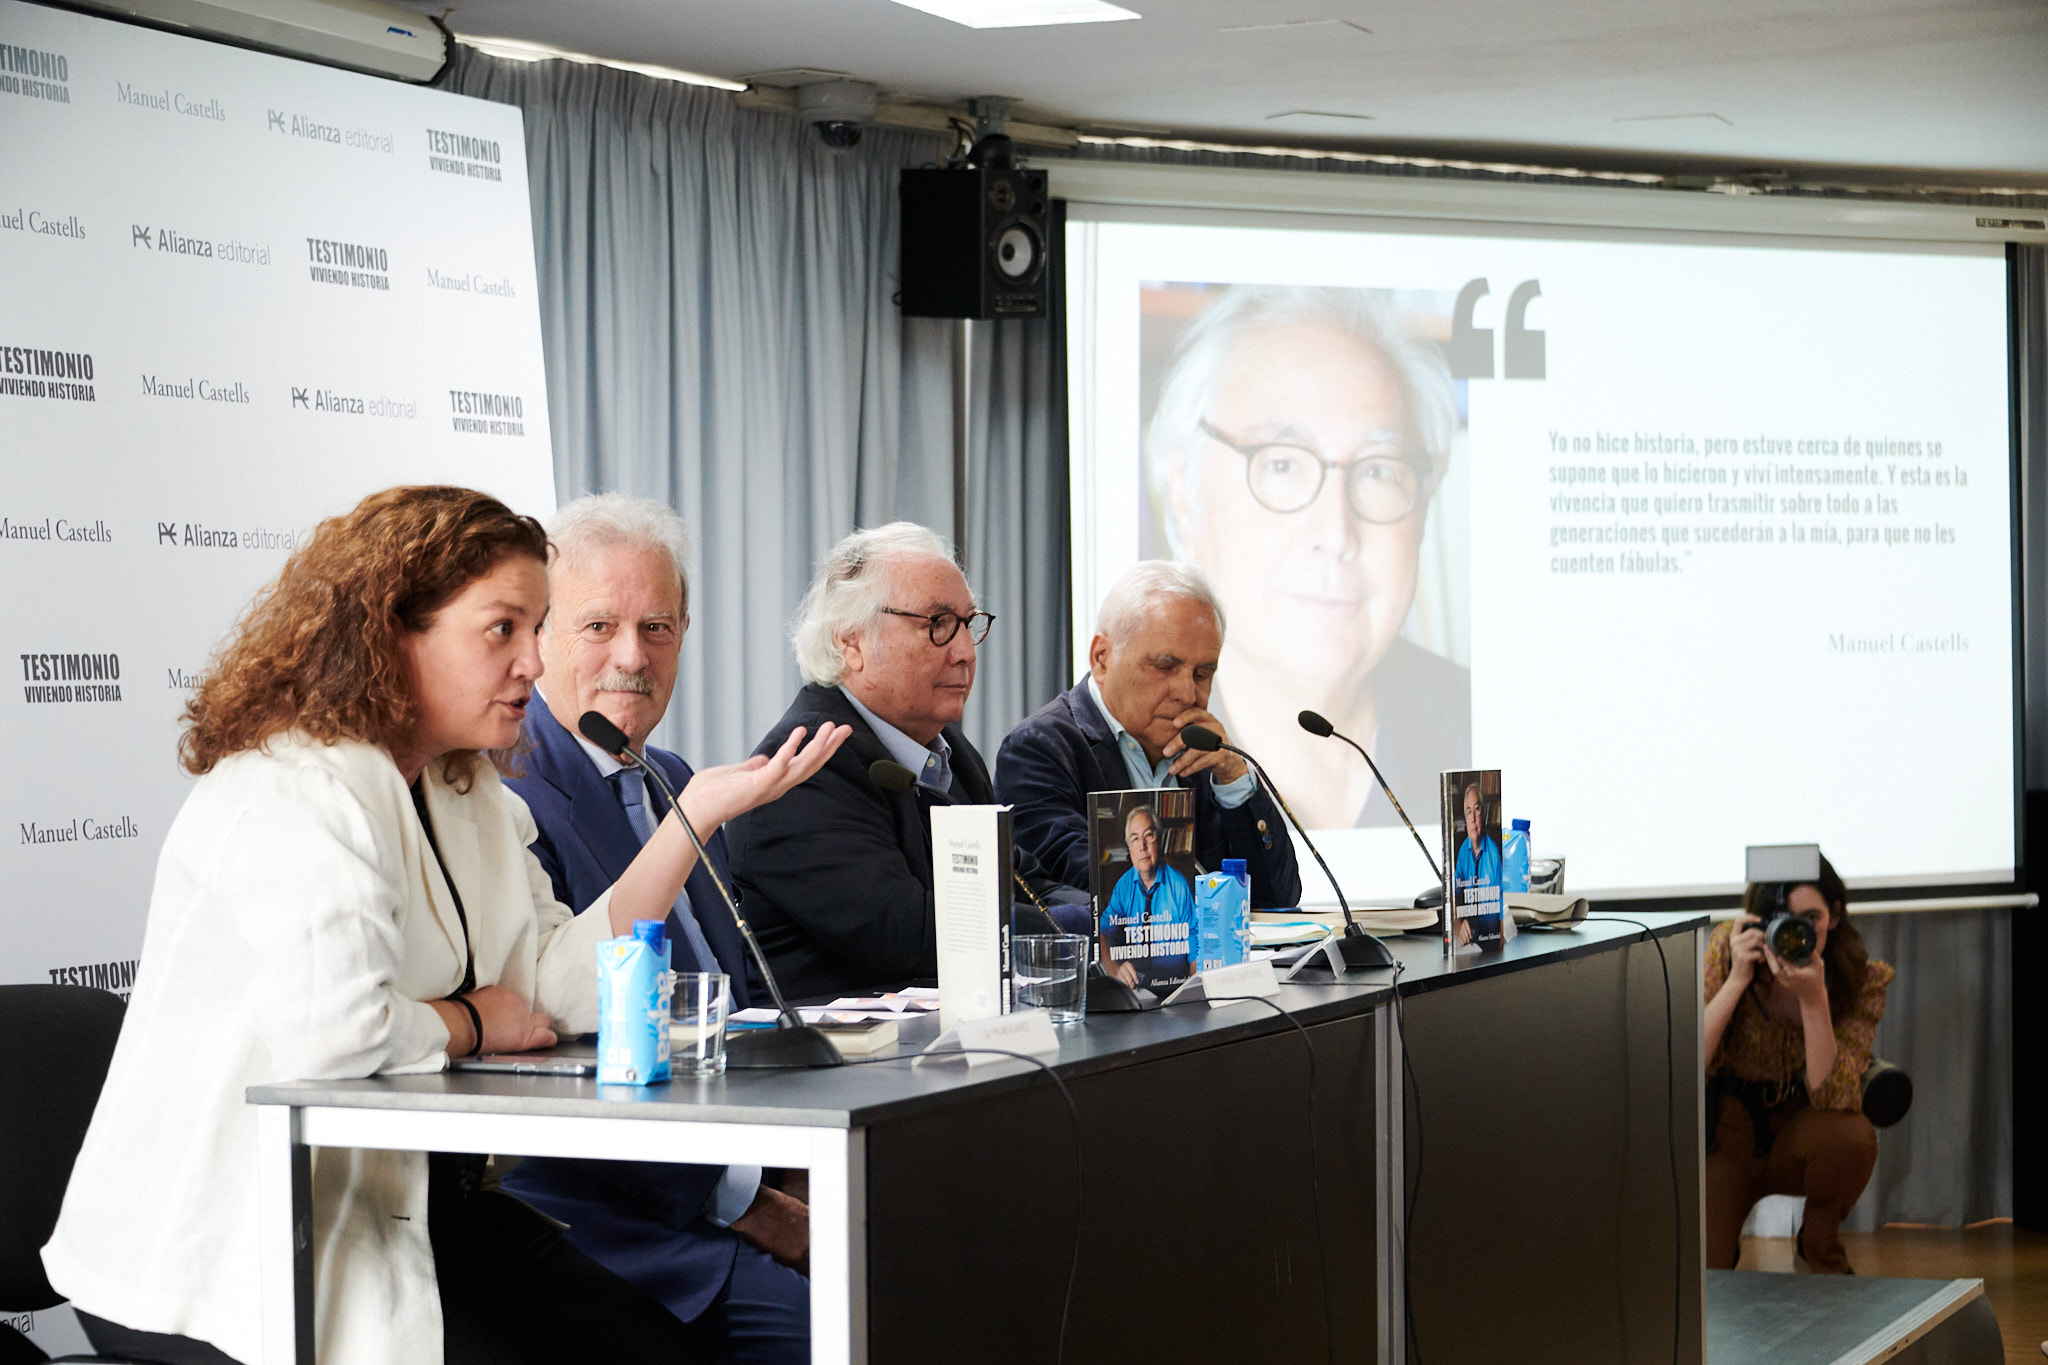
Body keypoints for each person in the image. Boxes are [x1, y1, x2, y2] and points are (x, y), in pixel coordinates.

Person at [39, 486, 845, 1365]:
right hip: (226, 1244)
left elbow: (555, 986)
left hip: (414, 1208)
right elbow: (331, 1036)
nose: (534, 664)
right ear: (392, 631)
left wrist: (688, 823)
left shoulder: (468, 793)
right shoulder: (294, 786)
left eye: (538, 629)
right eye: (504, 629)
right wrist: (468, 1018)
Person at [495, 494, 811, 1363]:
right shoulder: (506, 793)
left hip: (748, 1167)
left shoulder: (669, 774)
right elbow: (560, 1057)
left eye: (659, 627)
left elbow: (729, 1003)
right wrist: (759, 1202)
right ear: (543, 637)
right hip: (620, 1224)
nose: (632, 656)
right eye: (599, 624)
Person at [1144, 283, 1467, 830]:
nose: (1336, 533)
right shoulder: (1117, 754)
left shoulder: (1479, 723)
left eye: (1379, 470)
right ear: (1184, 487)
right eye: (1282, 464)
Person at [729, 522, 1075, 1001]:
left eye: (967, 624)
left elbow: (1021, 879)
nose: (964, 653)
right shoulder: (803, 766)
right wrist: (1078, 929)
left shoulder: (948, 750)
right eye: (937, 625)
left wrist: (1111, 914)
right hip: (839, 1067)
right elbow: (910, 935)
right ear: (851, 642)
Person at [995, 559, 1302, 909]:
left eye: (1202, 673)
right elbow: (1080, 885)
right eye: (1165, 667)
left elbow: (1278, 900)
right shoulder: (1038, 749)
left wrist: (1233, 777)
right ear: (1102, 658)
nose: (1187, 694)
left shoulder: (1204, 755)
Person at [1703, 854, 1893, 1275]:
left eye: (1811, 918)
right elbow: (1690, 1062)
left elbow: (1835, 1096)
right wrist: (1737, 979)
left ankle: (1818, 1242)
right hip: (1730, 1128)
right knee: (1704, 1276)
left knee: (1851, 1138)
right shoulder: (1728, 945)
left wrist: (1814, 999)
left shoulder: (1859, 978)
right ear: (1758, 919)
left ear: (1836, 916)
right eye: (1785, 919)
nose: (1796, 932)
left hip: (1802, 1122)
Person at [1097, 805, 1196, 989]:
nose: (1142, 846)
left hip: (1174, 984)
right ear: (1129, 847)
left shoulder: (1179, 885)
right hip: (1137, 986)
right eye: (1134, 839)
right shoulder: (1123, 885)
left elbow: (1194, 940)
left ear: (1159, 839)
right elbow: (1103, 930)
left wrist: (1193, 986)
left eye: (1148, 836)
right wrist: (1113, 967)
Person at [1451, 781, 1500, 946]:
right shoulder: (1463, 851)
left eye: (1477, 809)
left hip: (1491, 940)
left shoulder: (1494, 854)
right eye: (1468, 811)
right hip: (1471, 941)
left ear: (1483, 813)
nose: (1472, 818)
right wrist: (1457, 924)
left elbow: (1503, 908)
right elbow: (1453, 895)